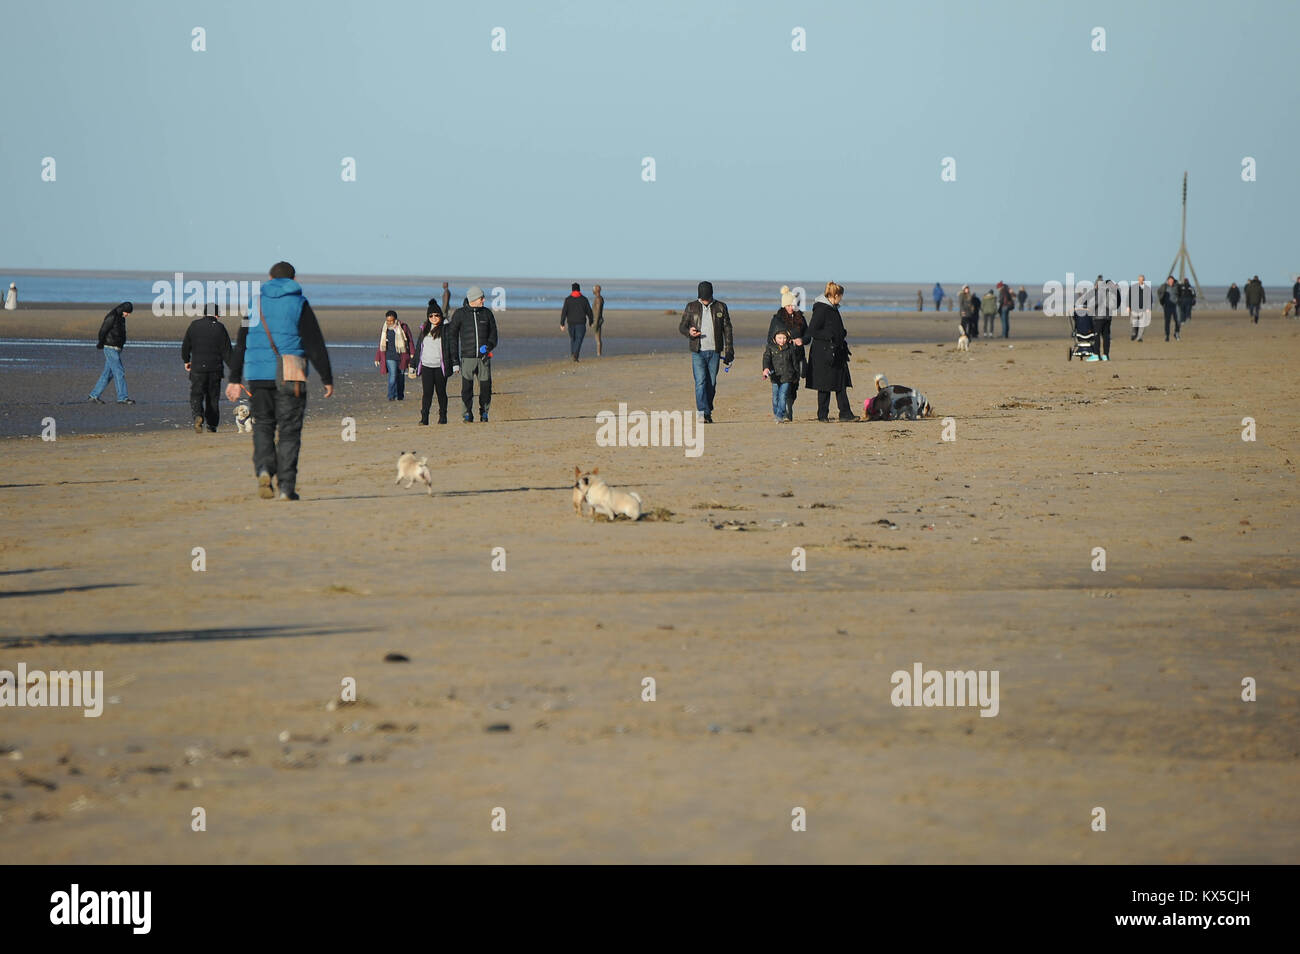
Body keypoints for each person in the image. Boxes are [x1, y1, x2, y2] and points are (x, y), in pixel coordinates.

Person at [225, 261, 334, 501]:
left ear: (270, 277)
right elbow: (314, 342)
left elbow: (241, 341)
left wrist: (234, 378)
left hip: (258, 376)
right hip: (290, 374)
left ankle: (264, 469)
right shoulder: (299, 303)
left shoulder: (256, 303)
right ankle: (286, 487)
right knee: (289, 430)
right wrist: (326, 378)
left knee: (263, 424)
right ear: (294, 278)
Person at [678, 281, 734, 424]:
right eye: (702, 297)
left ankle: (707, 411)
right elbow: (682, 326)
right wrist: (689, 332)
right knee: (700, 382)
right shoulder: (691, 307)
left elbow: (727, 329)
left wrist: (729, 350)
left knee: (712, 383)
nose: (705, 300)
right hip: (698, 351)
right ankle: (702, 413)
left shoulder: (721, 306)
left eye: (707, 297)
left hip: (715, 351)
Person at [806, 281, 857, 422]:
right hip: (824, 354)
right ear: (835, 295)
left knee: (840, 384)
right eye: (841, 296)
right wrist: (830, 336)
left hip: (837, 352)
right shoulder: (821, 309)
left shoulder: (833, 308)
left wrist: (841, 333)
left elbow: (835, 328)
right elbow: (812, 330)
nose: (841, 298)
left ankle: (845, 413)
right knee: (824, 386)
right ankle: (822, 415)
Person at [449, 286, 498, 423]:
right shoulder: (460, 314)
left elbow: (494, 335)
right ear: (474, 299)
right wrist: (455, 361)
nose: (484, 300)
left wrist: (488, 346)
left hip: (484, 359)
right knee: (467, 389)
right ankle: (467, 414)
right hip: (467, 358)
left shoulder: (487, 313)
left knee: (486, 387)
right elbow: (452, 337)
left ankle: (484, 412)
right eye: (481, 298)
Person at [181, 304, 233, 432]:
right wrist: (234, 367)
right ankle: (212, 424)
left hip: (198, 367)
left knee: (196, 394)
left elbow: (186, 346)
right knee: (213, 398)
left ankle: (198, 415)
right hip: (215, 368)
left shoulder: (194, 325)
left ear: (204, 313)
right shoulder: (220, 328)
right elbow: (227, 351)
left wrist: (186, 360)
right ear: (216, 314)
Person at [414, 300, 457, 425]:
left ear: (441, 315)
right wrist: (413, 364)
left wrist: (455, 363)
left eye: (436, 315)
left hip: (440, 366)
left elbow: (452, 347)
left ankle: (443, 416)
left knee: (441, 392)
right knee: (427, 393)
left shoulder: (446, 329)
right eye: (431, 316)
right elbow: (418, 348)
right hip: (426, 366)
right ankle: (424, 418)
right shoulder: (424, 329)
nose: (434, 318)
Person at [768, 286, 807, 421]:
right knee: (782, 387)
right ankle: (783, 411)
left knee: (794, 387)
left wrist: (802, 340)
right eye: (789, 305)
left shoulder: (801, 318)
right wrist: (784, 342)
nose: (791, 307)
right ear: (784, 305)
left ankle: (788, 404)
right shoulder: (777, 319)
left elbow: (808, 335)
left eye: (793, 305)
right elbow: (770, 340)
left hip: (798, 357)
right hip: (782, 358)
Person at [88, 301, 135, 404]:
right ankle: (122, 398)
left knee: (108, 374)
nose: (127, 314)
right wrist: (100, 343)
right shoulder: (112, 316)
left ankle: (93, 395)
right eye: (127, 312)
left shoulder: (121, 317)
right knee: (119, 371)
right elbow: (103, 330)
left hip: (117, 349)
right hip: (110, 347)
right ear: (123, 309)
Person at [762, 329, 802, 423]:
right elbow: (766, 359)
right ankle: (777, 413)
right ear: (774, 339)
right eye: (779, 338)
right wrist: (766, 369)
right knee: (775, 397)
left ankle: (781, 415)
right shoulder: (770, 348)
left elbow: (795, 363)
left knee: (783, 395)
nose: (782, 340)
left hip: (787, 376)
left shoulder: (790, 348)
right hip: (775, 376)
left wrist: (796, 376)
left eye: (784, 338)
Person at [373, 310, 412, 401]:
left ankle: (400, 396)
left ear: (395, 319)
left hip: (402, 356)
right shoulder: (385, 329)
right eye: (388, 321)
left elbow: (409, 341)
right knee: (393, 376)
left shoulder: (403, 327)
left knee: (401, 377)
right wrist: (377, 358)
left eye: (391, 320)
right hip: (389, 357)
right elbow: (381, 345)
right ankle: (391, 396)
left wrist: (412, 354)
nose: (389, 322)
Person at [560, 282, 594, 361]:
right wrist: (591, 322)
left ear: (572, 290)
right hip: (581, 323)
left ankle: (573, 354)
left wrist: (562, 323)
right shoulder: (584, 299)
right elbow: (589, 312)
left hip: (571, 323)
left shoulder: (568, 299)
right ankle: (575, 354)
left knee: (573, 339)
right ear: (579, 289)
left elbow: (564, 312)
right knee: (579, 339)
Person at [1093, 276, 1115, 360]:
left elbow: (1094, 303)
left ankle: (1096, 355)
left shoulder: (1097, 292)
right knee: (1106, 336)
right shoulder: (1109, 292)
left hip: (1099, 317)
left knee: (1097, 335)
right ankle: (1106, 355)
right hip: (1108, 317)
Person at [1129, 274, 1151, 342]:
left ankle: (1139, 337)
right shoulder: (1133, 287)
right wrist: (1128, 306)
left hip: (1143, 309)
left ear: (1144, 280)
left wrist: (1148, 308)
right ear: (1138, 280)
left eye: (1142, 279)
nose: (1141, 281)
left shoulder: (1147, 288)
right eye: (1140, 279)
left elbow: (1150, 298)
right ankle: (1134, 333)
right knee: (1134, 323)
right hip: (1134, 309)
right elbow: (1129, 297)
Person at [593, 284, 606, 356]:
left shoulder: (598, 299)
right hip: (597, 319)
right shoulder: (599, 298)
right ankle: (599, 353)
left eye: (593, 289)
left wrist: (595, 323)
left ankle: (599, 354)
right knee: (597, 338)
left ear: (596, 290)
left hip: (597, 320)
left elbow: (597, 311)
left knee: (597, 338)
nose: (593, 290)